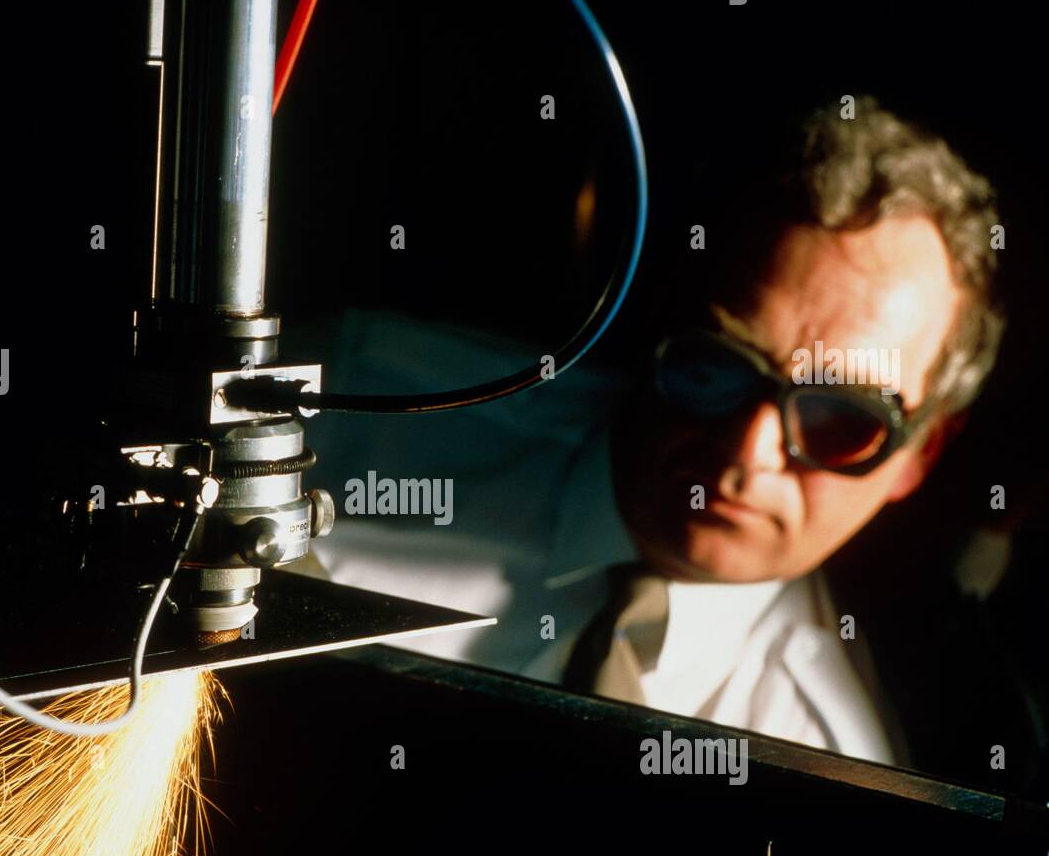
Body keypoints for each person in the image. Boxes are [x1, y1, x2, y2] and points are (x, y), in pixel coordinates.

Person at [290, 97, 1040, 789]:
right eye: (718, 366)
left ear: (920, 455)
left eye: (843, 419)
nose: (750, 454)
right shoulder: (347, 406)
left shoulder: (826, 768)